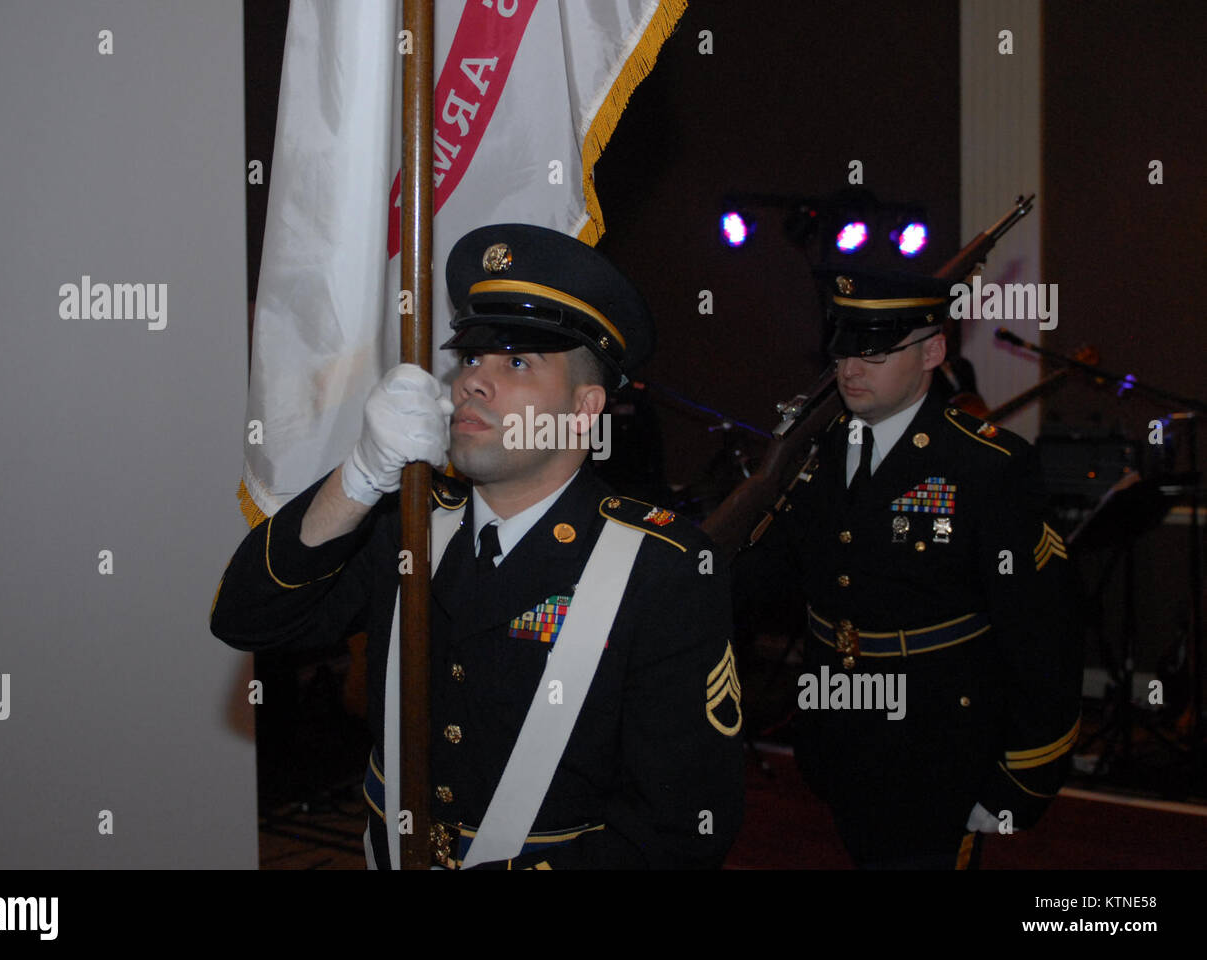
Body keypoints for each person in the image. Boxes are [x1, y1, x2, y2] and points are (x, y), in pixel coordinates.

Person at [211, 223, 745, 869]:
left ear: (585, 407)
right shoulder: (408, 527)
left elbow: (681, 829)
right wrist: (358, 478)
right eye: (470, 359)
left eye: (516, 363)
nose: (473, 382)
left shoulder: (660, 568)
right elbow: (247, 619)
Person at [733, 268, 1082, 869]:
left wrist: (1026, 773)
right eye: (844, 348)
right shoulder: (815, 453)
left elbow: (1041, 634)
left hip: (939, 745)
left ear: (934, 352)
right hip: (838, 730)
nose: (851, 369)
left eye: (875, 353)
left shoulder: (986, 466)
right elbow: (774, 575)